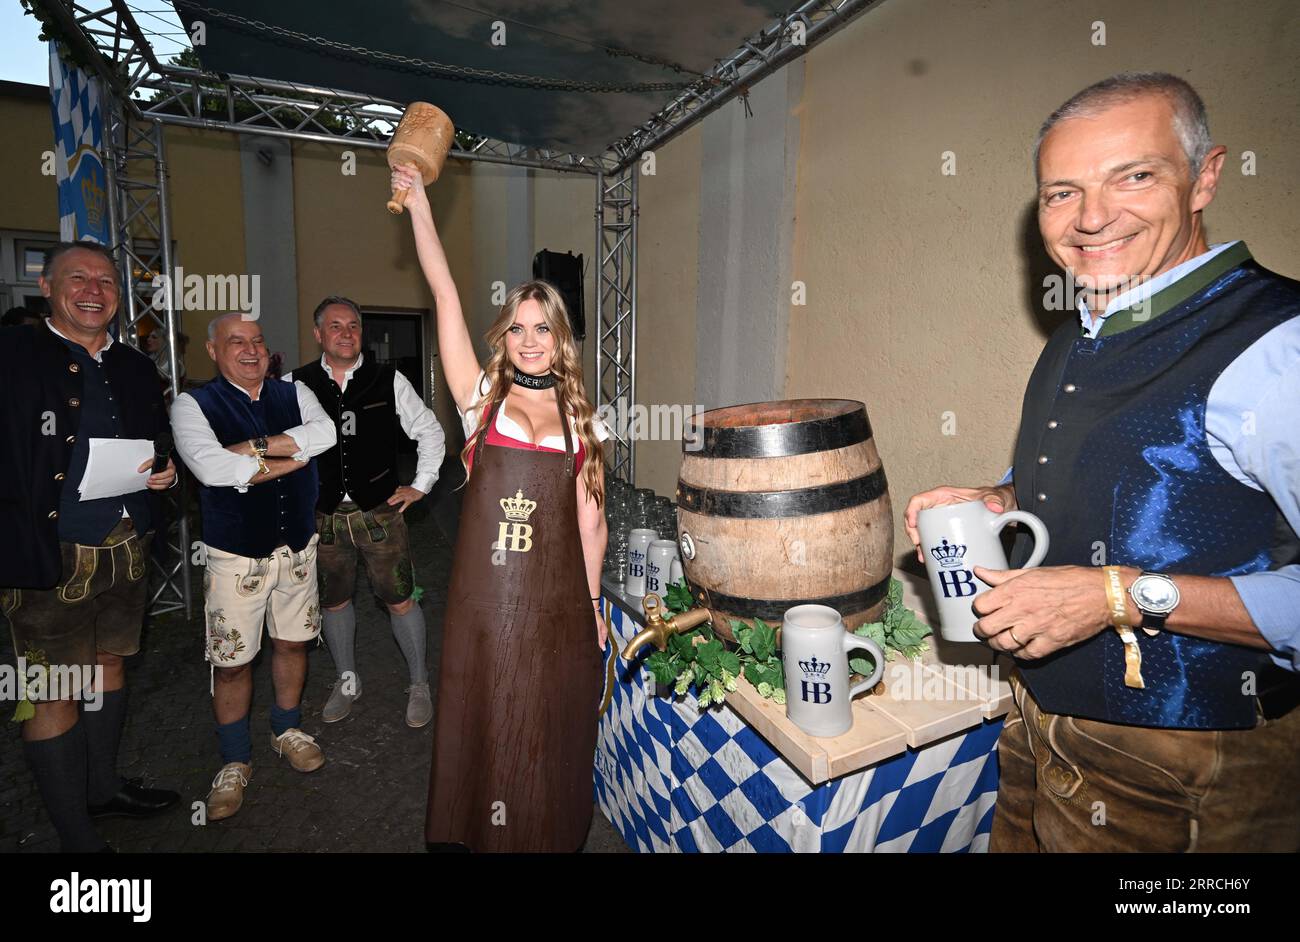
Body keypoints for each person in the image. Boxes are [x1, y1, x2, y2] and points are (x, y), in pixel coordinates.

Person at [905, 72, 1300, 852]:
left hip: (1188, 763)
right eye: (1061, 192)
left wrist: (1119, 596)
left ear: (1205, 177)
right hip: (1042, 723)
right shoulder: (1077, 333)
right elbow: (1149, 475)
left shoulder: (1277, 345)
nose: (1091, 218)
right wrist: (1001, 496)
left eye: (1134, 176)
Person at [392, 165, 611, 852]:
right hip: (485, 606)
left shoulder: (585, 420)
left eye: (542, 328)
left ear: (560, 337)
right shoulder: (480, 396)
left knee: (546, 727)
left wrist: (596, 605)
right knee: (489, 724)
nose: (529, 340)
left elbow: (590, 522)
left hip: (557, 607)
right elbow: (444, 295)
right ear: (505, 338)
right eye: (518, 328)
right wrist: (422, 207)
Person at [0, 241, 179, 852]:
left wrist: (166, 470)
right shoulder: (13, 354)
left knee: (108, 665)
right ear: (47, 287)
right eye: (78, 278)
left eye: (106, 281)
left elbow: (155, 438)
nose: (94, 290)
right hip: (48, 555)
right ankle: (77, 839)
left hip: (127, 546)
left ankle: (102, 789)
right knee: (52, 689)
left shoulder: (134, 366)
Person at [171, 312, 337, 821]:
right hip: (235, 556)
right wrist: (291, 455)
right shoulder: (190, 404)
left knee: (293, 642)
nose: (250, 350)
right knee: (233, 661)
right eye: (236, 342)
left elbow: (326, 435)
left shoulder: (296, 392)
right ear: (213, 350)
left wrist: (256, 450)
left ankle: (286, 728)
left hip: (298, 549)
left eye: (258, 341)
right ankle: (235, 759)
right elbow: (214, 469)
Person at [285, 296, 446, 727]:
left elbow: (429, 430)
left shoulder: (387, 379)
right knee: (334, 603)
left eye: (353, 325)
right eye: (335, 326)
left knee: (400, 599)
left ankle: (418, 682)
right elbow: (278, 445)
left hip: (380, 513)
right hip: (322, 517)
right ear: (318, 334)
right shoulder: (294, 384)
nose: (346, 333)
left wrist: (421, 484)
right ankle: (347, 680)